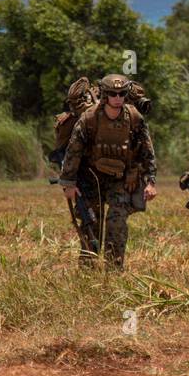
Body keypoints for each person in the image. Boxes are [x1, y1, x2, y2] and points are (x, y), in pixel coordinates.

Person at [57, 73, 157, 268]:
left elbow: (147, 151)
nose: (117, 98)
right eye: (112, 93)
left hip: (120, 178)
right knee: (91, 221)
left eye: (121, 93)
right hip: (91, 176)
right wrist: (68, 183)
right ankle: (88, 267)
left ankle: (114, 267)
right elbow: (73, 151)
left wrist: (151, 181)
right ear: (105, 95)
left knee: (117, 220)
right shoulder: (90, 118)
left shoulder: (134, 117)